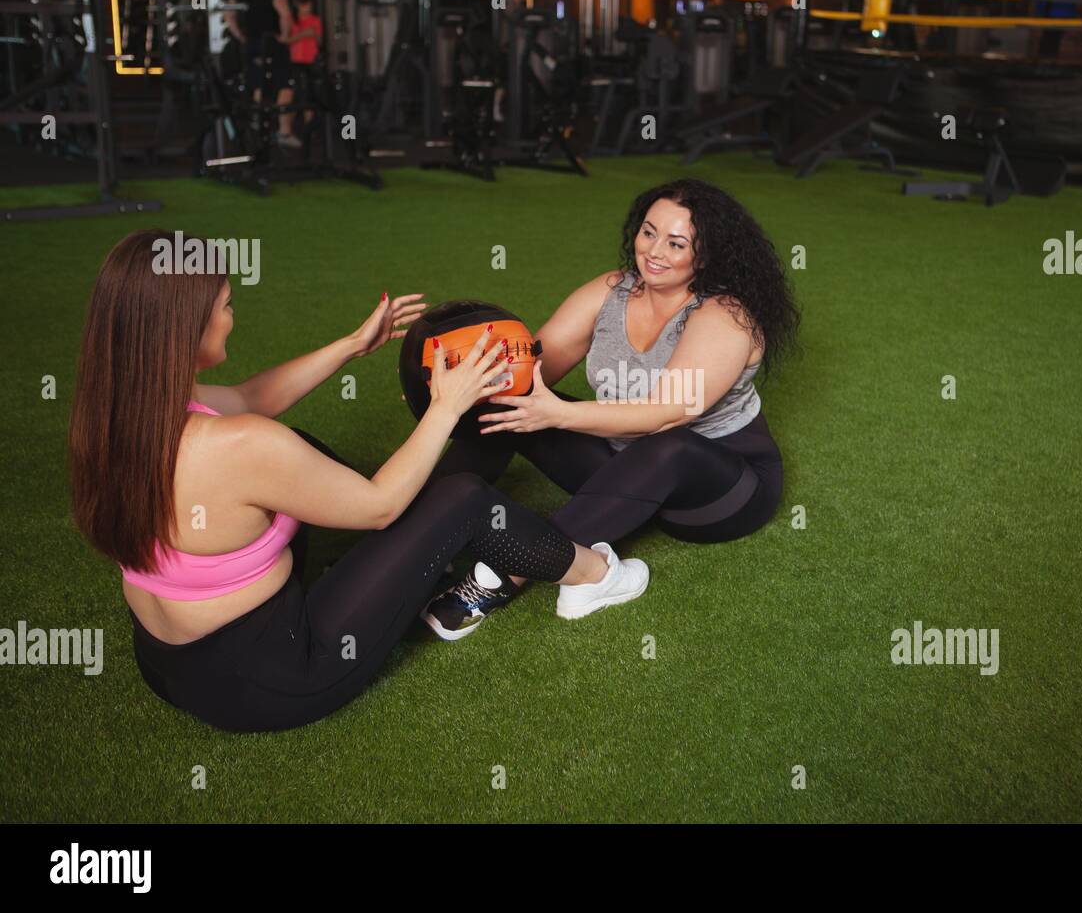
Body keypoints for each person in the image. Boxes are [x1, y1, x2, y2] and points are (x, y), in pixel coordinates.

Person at [68, 231, 649, 733]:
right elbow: (378, 508)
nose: (231, 315)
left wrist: (351, 345)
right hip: (272, 678)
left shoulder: (121, 409)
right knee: (462, 501)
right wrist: (447, 407)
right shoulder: (240, 447)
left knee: (306, 453)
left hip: (169, 661)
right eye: (223, 305)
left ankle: (428, 555)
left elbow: (250, 397)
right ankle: (595, 576)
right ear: (180, 327)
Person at [422, 179, 799, 640]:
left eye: (676, 243)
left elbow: (665, 414)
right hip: (626, 471)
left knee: (668, 445)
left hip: (722, 493)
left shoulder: (724, 316)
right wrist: (450, 396)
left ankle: (498, 578)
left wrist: (559, 414)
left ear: (705, 256)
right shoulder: (611, 291)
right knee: (507, 412)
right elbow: (532, 371)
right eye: (648, 232)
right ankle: (422, 540)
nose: (654, 251)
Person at [222, 0, 299, 147]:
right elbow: (285, 15)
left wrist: (240, 36)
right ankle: (284, 132)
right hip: (272, 42)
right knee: (285, 85)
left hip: (252, 42)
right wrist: (284, 36)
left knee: (257, 83)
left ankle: (258, 127)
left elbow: (228, 14)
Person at [287, 0, 322, 128]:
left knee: (309, 94)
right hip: (295, 60)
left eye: (309, 4)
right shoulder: (291, 21)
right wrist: (303, 35)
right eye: (304, 4)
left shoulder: (316, 20)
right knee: (295, 95)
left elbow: (320, 41)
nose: (307, 8)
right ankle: (287, 127)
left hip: (311, 60)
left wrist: (314, 35)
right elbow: (285, 41)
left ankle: (309, 127)